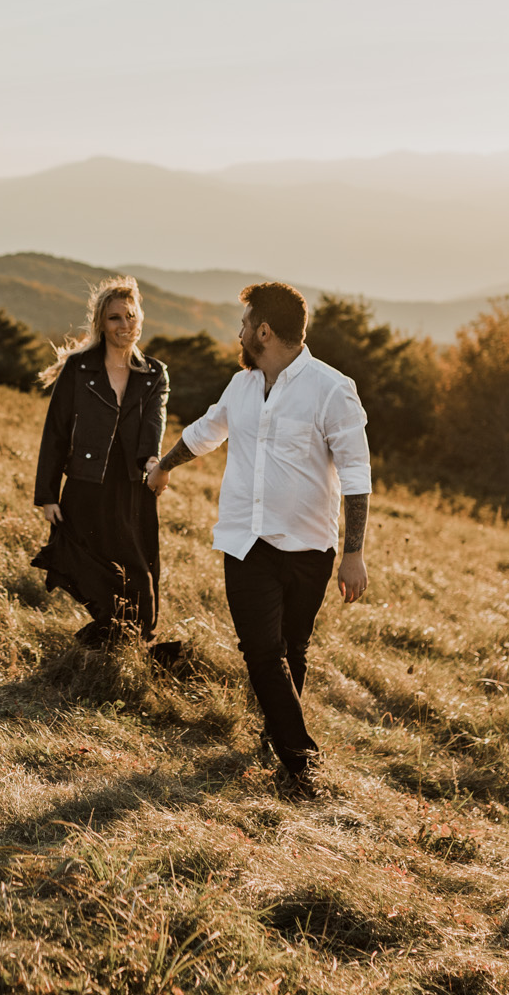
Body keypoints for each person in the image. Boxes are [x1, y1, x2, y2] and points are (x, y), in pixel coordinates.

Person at [147, 282, 371, 799]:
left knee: (293, 648)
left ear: (264, 331)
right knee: (263, 652)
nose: (240, 332)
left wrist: (354, 552)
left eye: (246, 323)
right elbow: (206, 431)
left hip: (312, 548)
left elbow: (356, 475)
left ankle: (276, 734)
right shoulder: (242, 387)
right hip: (247, 545)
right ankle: (301, 762)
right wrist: (163, 466)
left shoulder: (332, 389)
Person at [32, 277, 172, 656]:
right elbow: (56, 432)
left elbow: (153, 426)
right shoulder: (79, 369)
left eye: (130, 315)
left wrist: (154, 462)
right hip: (85, 486)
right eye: (114, 318)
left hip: (131, 490)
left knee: (139, 581)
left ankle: (113, 650)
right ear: (100, 323)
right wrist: (47, 495)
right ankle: (105, 656)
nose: (124, 325)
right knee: (96, 574)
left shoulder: (154, 373)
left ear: (140, 317)